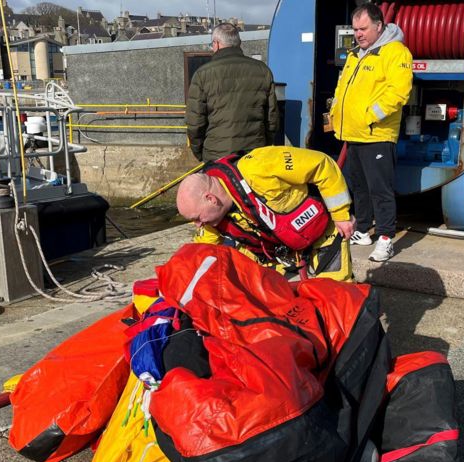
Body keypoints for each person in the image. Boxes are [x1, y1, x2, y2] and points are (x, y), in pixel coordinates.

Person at [176, 146, 355, 281]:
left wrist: (341, 215)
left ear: (211, 199)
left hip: (322, 231)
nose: (198, 224)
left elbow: (322, 164)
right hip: (277, 248)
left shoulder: (260, 166)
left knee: (337, 295)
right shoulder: (213, 218)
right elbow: (203, 249)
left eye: (197, 218)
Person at [329, 3, 412, 262]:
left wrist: (368, 117)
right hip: (353, 134)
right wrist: (336, 114)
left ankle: (386, 238)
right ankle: (363, 229)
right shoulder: (356, 54)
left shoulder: (395, 53)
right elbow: (343, 89)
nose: (358, 34)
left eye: (363, 28)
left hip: (376, 136)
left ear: (379, 26)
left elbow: (398, 93)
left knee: (380, 189)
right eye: (355, 29)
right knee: (359, 187)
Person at [185, 23, 279, 162]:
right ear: (239, 43)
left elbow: (195, 123)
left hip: (217, 156)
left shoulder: (202, 74)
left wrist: (200, 153)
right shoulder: (263, 70)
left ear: (216, 44)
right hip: (254, 156)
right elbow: (272, 118)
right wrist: (264, 146)